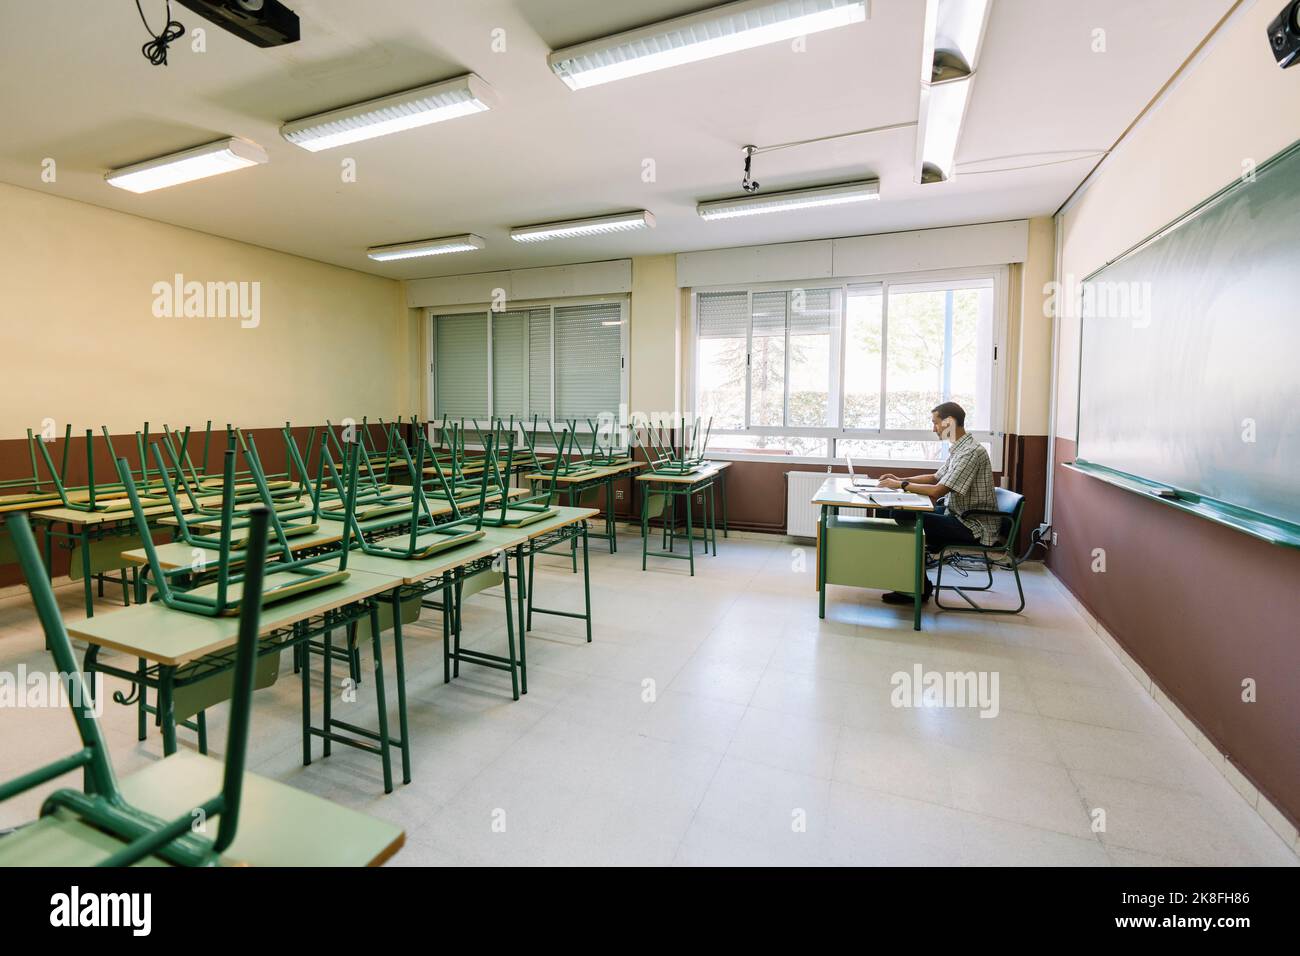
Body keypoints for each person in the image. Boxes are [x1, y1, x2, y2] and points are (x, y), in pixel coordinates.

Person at [875, 401, 999, 605]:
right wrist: (899, 480)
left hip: (971, 525)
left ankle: (916, 588)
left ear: (949, 422)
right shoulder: (960, 448)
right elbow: (935, 477)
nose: (933, 428)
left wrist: (901, 484)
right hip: (958, 514)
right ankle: (916, 584)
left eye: (935, 423)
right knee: (897, 512)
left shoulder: (970, 452)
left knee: (903, 516)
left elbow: (938, 490)